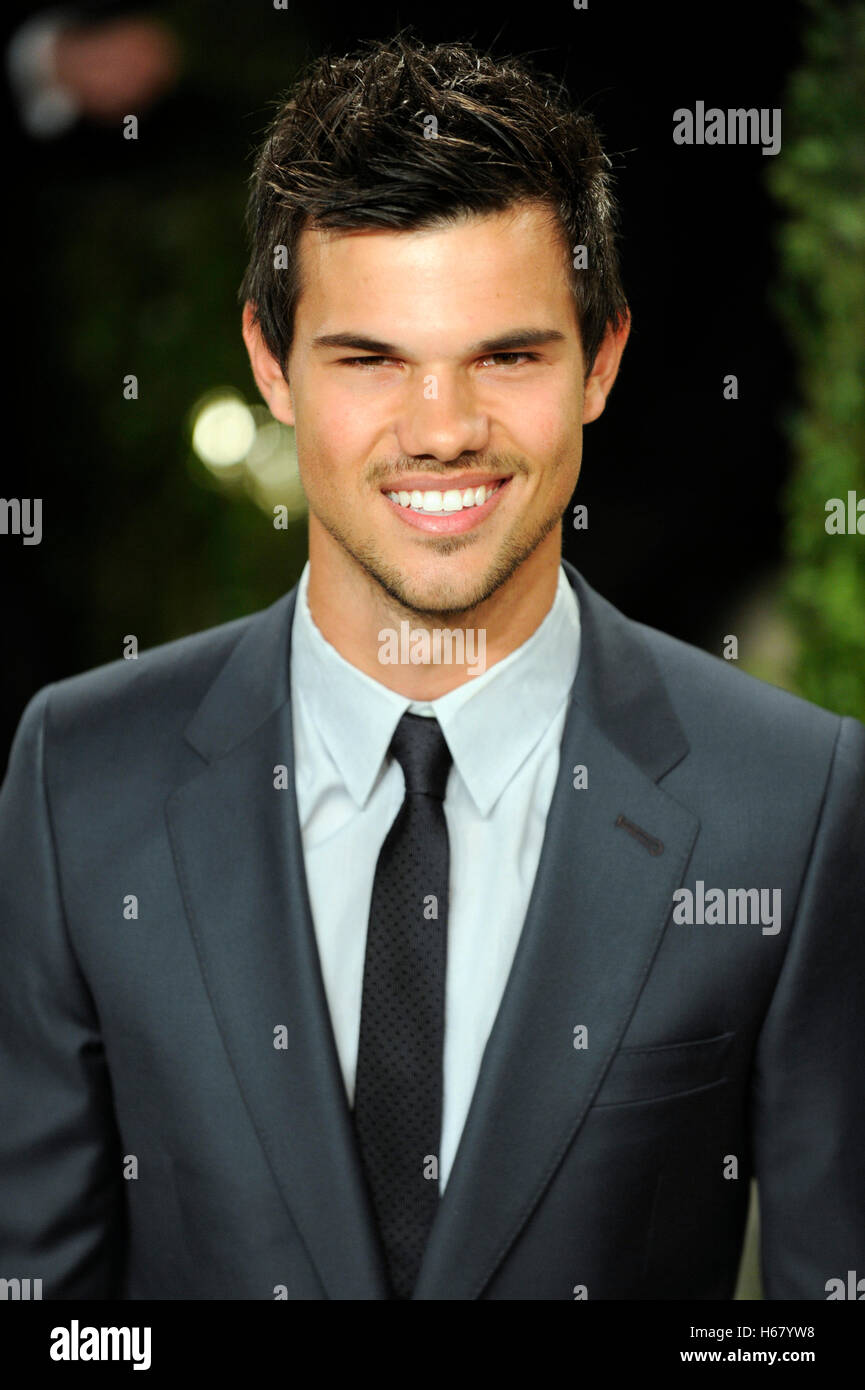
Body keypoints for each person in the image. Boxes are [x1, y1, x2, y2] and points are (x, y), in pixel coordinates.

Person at [1, 32, 862, 1302]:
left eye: (506, 356)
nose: (443, 431)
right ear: (268, 364)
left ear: (602, 360)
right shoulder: (81, 778)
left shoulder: (787, 801)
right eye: (371, 359)